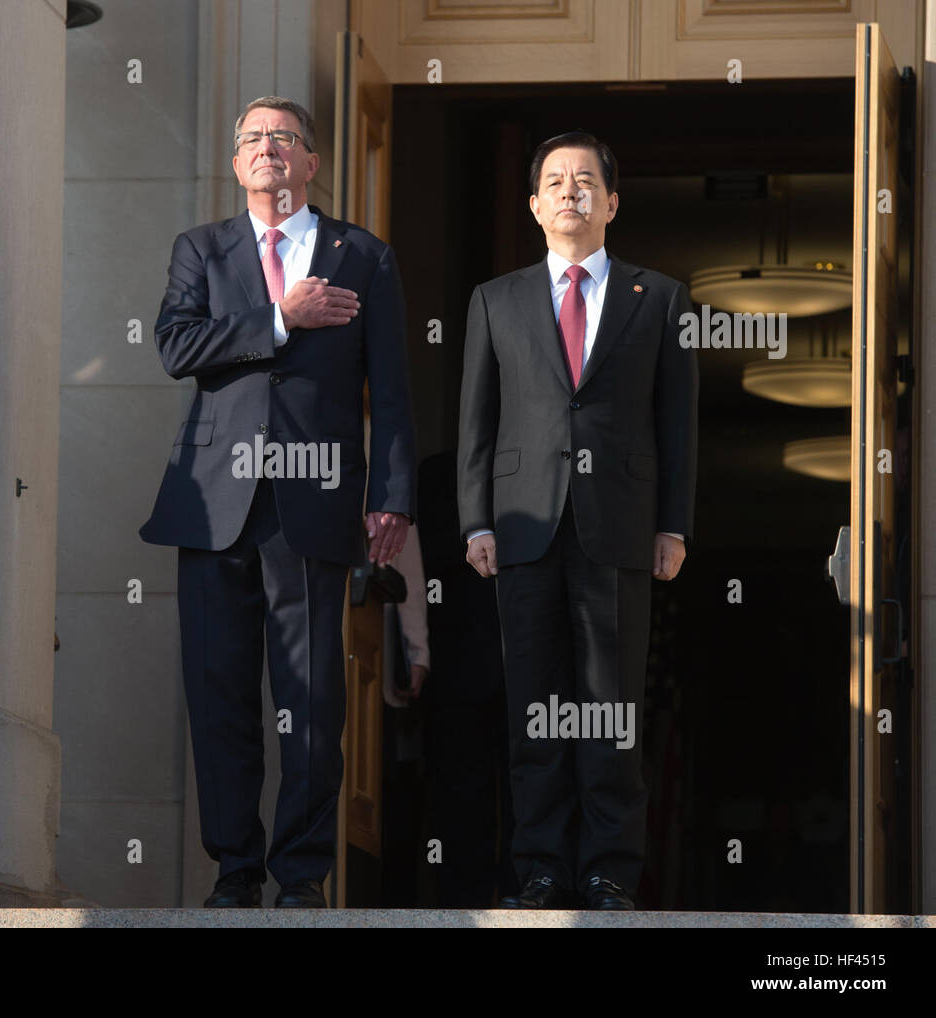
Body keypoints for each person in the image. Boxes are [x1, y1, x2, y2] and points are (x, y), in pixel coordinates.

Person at [140, 95, 416, 908]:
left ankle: (302, 877)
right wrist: (277, 319)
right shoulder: (203, 249)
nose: (267, 149)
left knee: (312, 700)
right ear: (237, 163)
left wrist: (391, 496)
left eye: (284, 138)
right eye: (253, 138)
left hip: (315, 504)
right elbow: (175, 346)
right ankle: (235, 873)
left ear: (311, 162)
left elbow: (392, 390)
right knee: (219, 695)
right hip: (213, 504)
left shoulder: (362, 256)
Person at [457, 131, 697, 910]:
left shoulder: (658, 298)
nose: (570, 192)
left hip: (620, 530)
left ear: (612, 202)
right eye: (555, 181)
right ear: (533, 204)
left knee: (610, 706)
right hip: (523, 527)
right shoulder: (495, 300)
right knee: (536, 707)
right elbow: (476, 423)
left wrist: (674, 524)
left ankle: (608, 871)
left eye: (586, 180)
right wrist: (475, 521)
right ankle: (540, 870)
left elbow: (679, 423)